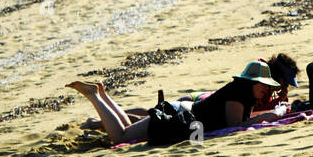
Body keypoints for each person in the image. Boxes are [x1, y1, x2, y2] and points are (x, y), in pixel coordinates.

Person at [68, 60, 286, 145]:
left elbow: (240, 120)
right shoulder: (238, 95)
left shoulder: (243, 94)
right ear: (250, 83)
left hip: (182, 112)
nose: (267, 89)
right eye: (263, 85)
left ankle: (102, 94)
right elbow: (234, 126)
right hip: (179, 117)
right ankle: (93, 96)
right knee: (119, 136)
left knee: (126, 129)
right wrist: (269, 116)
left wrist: (266, 115)